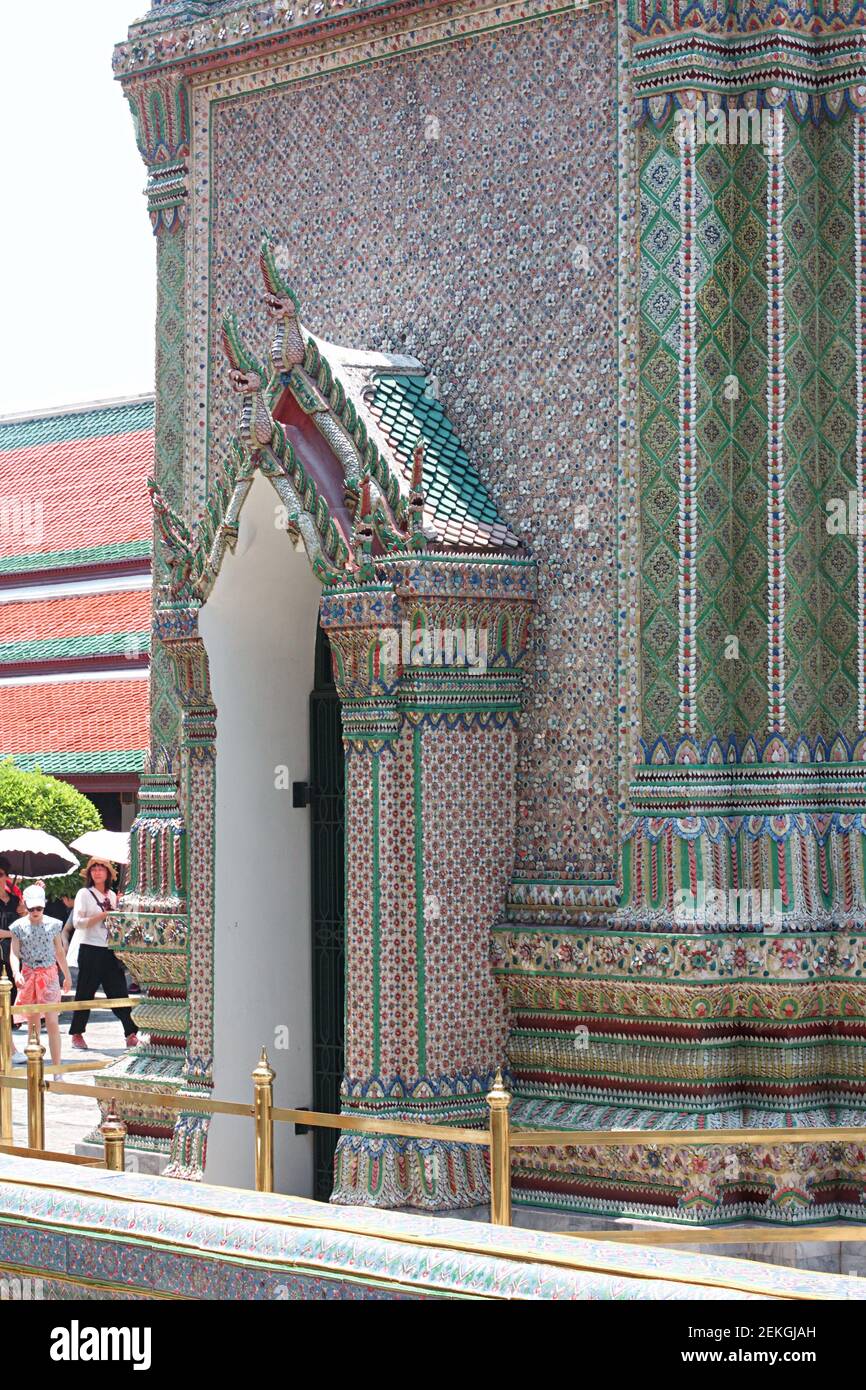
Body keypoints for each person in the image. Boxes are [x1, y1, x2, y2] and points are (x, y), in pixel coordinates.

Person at [68, 857, 138, 1050]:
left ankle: (130, 1033)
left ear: (108, 873)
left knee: (119, 992)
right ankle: (77, 1033)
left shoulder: (113, 895)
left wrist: (119, 911)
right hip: (90, 948)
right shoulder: (84, 893)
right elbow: (78, 923)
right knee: (85, 992)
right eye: (94, 869)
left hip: (109, 950)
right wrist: (103, 915)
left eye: (101, 869)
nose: (97, 872)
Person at [9, 884, 71, 1071]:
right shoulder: (18, 926)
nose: (35, 912)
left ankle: (57, 1068)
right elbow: (14, 952)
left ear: (44, 905)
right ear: (25, 905)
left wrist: (67, 976)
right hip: (29, 974)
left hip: (49, 974)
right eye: (31, 908)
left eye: (39, 908)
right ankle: (34, 1069)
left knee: (52, 1021)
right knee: (33, 1023)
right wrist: (16, 972)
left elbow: (59, 951)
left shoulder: (53, 924)